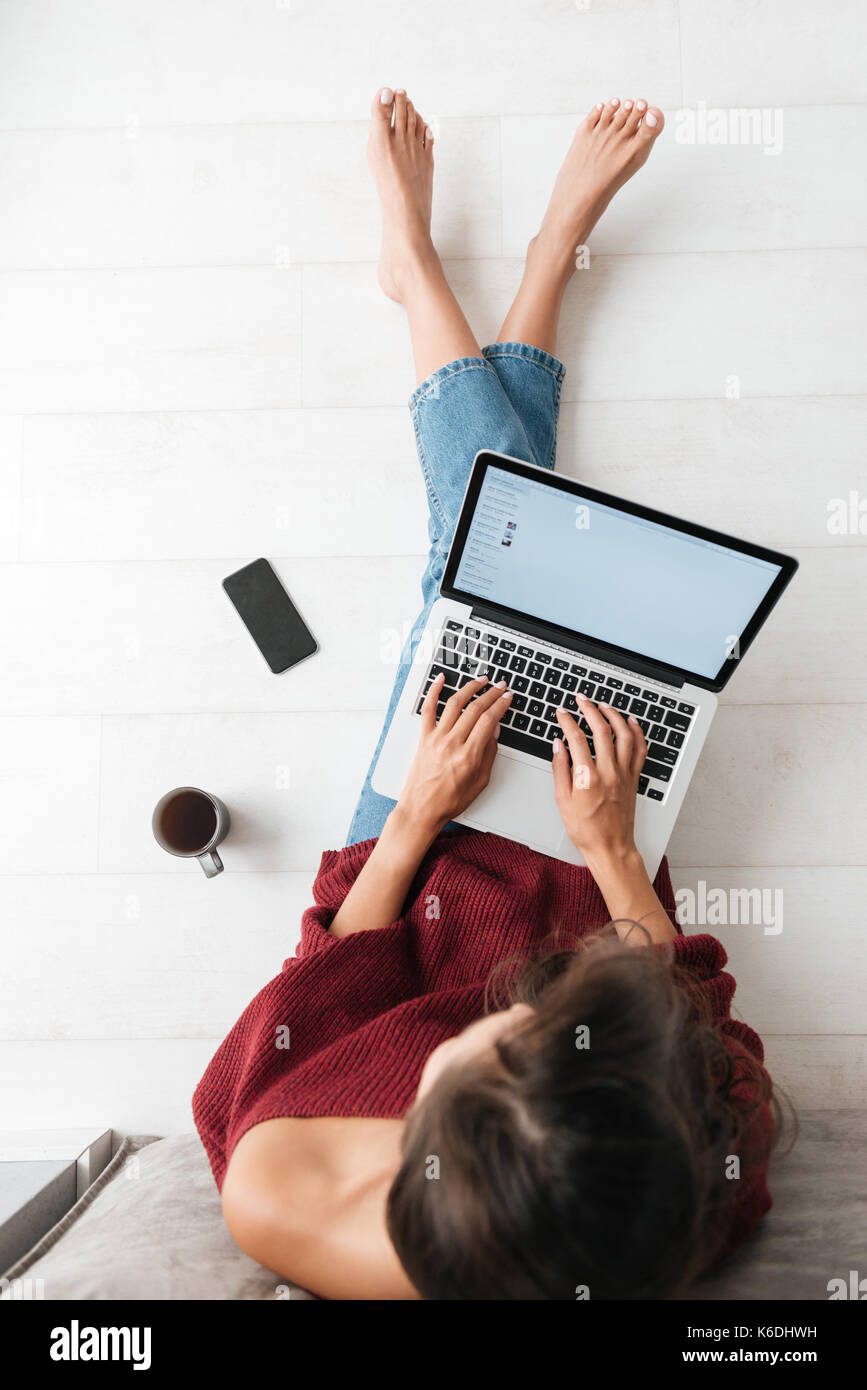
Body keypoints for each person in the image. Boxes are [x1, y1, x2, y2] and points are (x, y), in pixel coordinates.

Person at [193, 89, 778, 1301]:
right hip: (589, 858)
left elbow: (321, 986)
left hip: (400, 882)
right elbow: (702, 1031)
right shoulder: (677, 1191)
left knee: (472, 573)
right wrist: (614, 852)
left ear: (432, 1154)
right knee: (514, 584)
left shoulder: (281, 1191)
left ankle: (447, 269)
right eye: (538, 1030)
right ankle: (493, 272)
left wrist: (417, 812)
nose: (518, 1001)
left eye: (492, 1040)